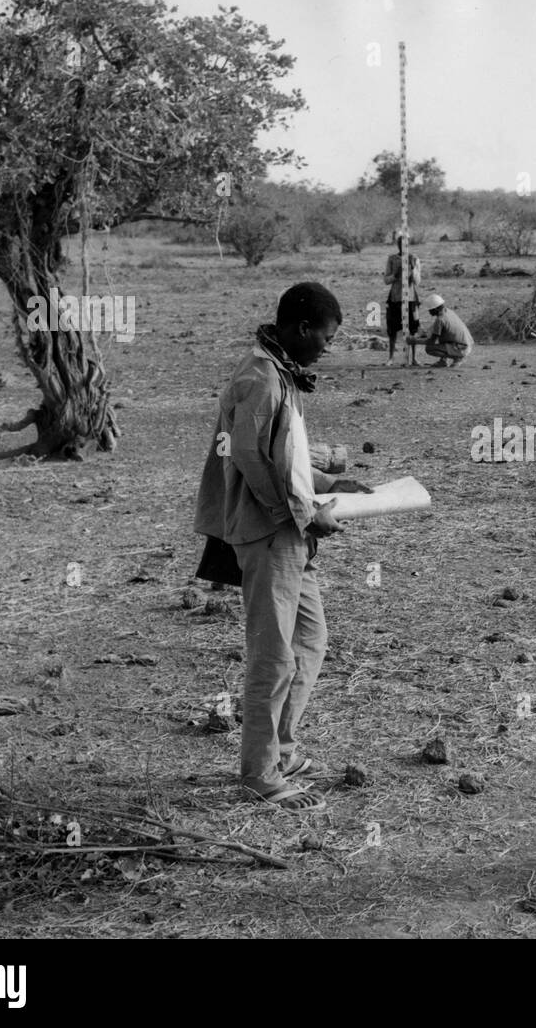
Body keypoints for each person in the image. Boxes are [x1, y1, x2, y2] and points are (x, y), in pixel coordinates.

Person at [194, 282, 372, 811]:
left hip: (287, 531)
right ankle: (261, 774)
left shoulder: (278, 372)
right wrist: (303, 513)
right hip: (270, 533)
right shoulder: (261, 379)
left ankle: (281, 749)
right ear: (301, 329)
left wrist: (328, 484)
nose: (326, 346)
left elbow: (283, 459)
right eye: (326, 336)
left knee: (308, 644)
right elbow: (250, 461)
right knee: (272, 659)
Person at [383, 235, 421, 367]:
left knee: (413, 329)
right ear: (397, 244)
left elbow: (417, 281)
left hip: (411, 299)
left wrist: (413, 268)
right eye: (400, 243)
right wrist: (395, 275)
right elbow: (386, 280)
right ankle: (391, 358)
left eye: (405, 244)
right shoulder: (392, 259)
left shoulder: (414, 259)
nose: (403, 246)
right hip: (395, 298)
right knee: (392, 329)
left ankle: (414, 359)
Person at [420, 294, 474, 368]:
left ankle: (458, 358)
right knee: (443, 338)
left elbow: (431, 341)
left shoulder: (440, 320)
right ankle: (443, 361)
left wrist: (414, 341)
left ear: (435, 309)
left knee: (429, 348)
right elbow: (435, 330)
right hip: (467, 344)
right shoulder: (448, 311)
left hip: (462, 348)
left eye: (430, 309)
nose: (429, 312)